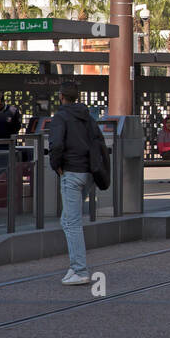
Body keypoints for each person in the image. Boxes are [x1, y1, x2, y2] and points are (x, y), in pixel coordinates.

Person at [48, 83, 100, 286]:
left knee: (72, 223)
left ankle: (79, 269)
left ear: (61, 96)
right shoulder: (86, 116)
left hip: (71, 171)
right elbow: (97, 140)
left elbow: (57, 144)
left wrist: (56, 165)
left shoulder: (60, 117)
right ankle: (74, 266)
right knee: (67, 220)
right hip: (88, 172)